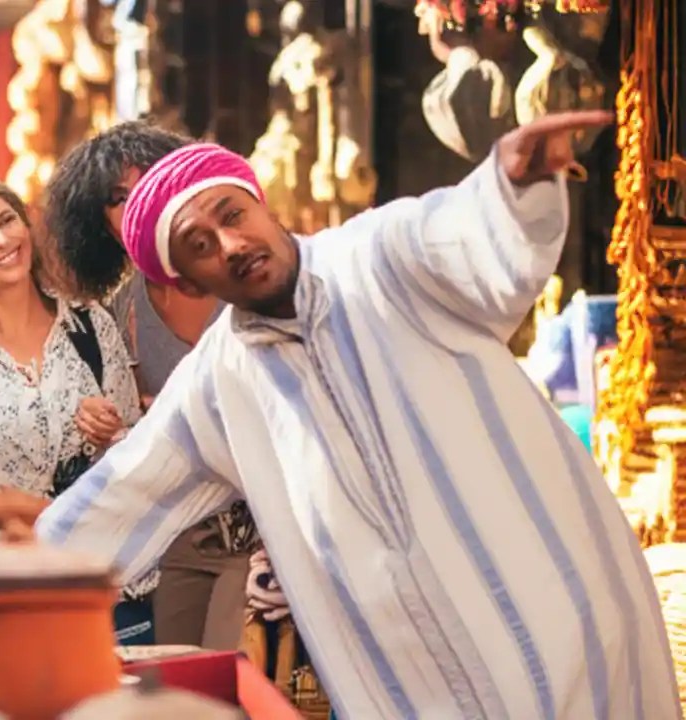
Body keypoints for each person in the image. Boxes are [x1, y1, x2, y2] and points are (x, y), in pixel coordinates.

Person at [35, 111, 681, 718]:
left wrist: (511, 185)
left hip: (554, 628)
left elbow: (461, 232)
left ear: (260, 202)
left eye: (233, 215)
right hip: (412, 677)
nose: (231, 243)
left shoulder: (379, 256)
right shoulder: (221, 378)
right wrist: (7, 595)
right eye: (200, 245)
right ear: (190, 282)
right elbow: (127, 489)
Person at [0, 172, 150, 661]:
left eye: (6, 221)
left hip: (100, 580)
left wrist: (112, 432)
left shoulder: (90, 326)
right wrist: (33, 511)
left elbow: (135, 449)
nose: (1, 241)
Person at [46, 121, 270, 652]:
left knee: (235, 676)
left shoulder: (241, 273)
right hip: (180, 533)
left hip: (263, 526)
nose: (139, 201)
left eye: (150, 181)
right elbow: (140, 430)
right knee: (179, 679)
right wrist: (113, 426)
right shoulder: (118, 313)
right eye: (119, 198)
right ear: (100, 223)